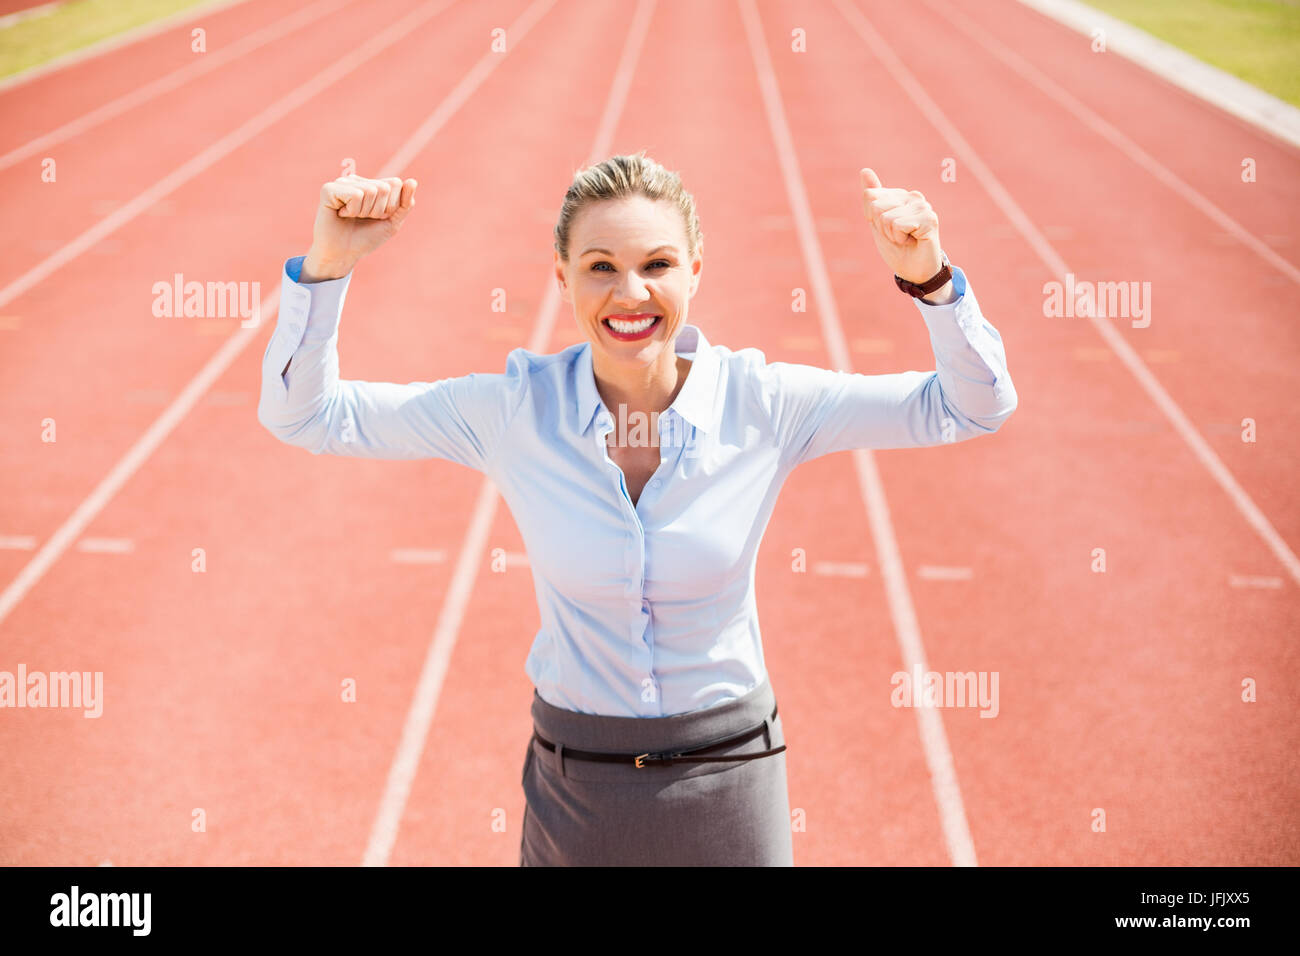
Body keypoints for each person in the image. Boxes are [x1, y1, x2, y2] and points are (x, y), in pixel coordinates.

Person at [257, 152, 1017, 866]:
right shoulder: (516, 411)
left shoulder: (764, 402)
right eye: (600, 268)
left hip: (732, 777)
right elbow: (306, 415)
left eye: (656, 265)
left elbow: (972, 406)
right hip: (576, 792)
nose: (630, 294)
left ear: (695, 271)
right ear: (562, 278)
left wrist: (932, 281)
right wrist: (327, 269)